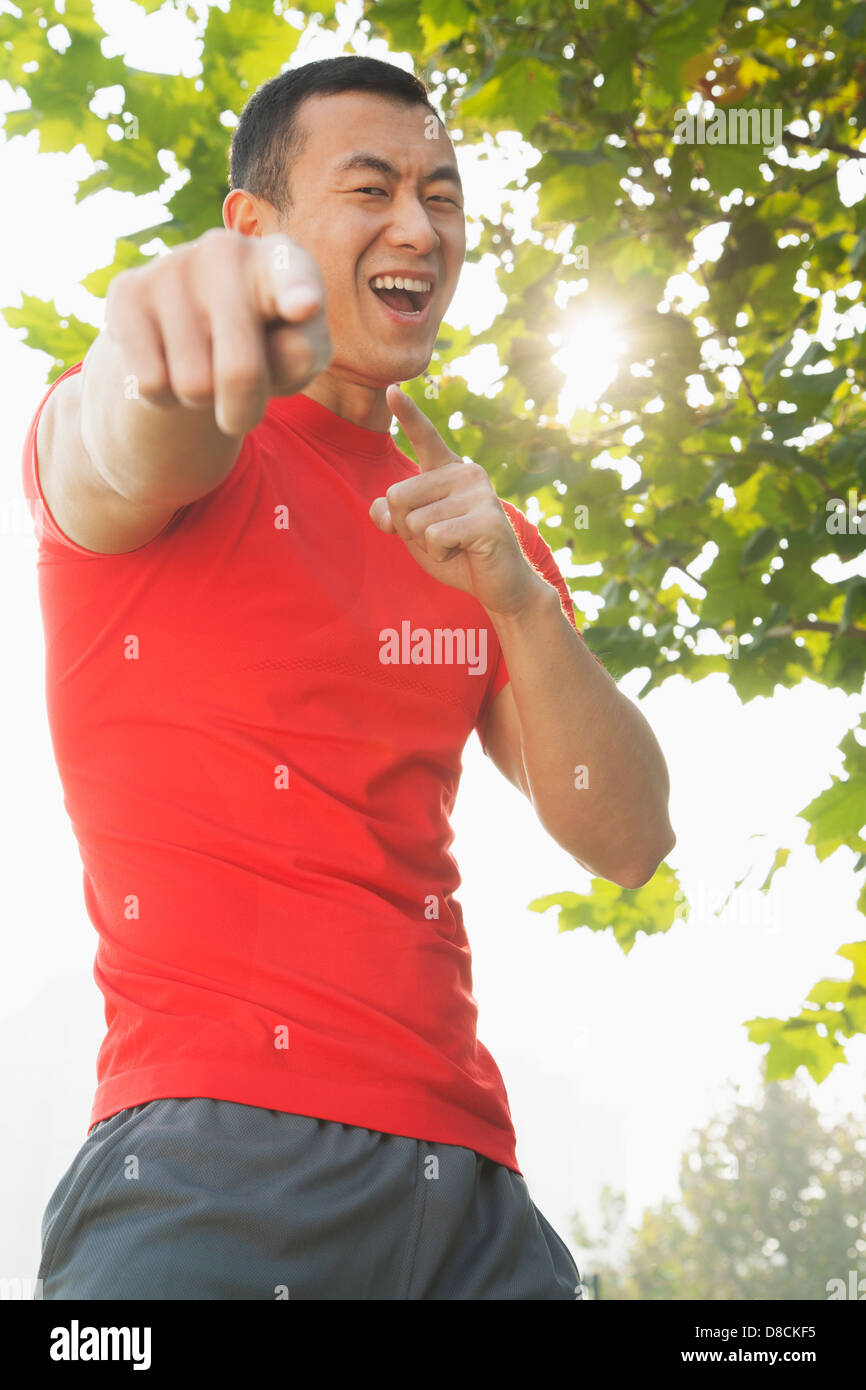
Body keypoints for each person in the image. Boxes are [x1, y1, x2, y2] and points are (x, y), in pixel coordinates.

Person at [23, 55, 675, 1300]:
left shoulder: (474, 528)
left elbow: (629, 837)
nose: (417, 227)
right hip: (211, 1163)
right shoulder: (167, 451)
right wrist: (163, 353)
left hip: (476, 1202)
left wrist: (520, 602)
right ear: (252, 228)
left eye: (442, 194)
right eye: (369, 187)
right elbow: (117, 440)